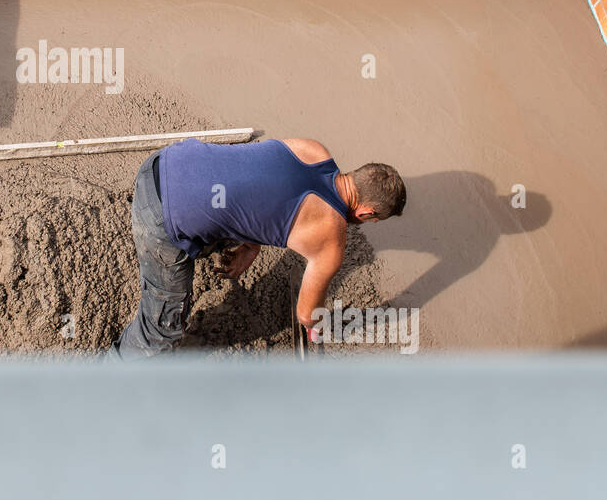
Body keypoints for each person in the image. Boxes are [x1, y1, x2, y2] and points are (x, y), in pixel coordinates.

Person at [115, 137, 405, 358]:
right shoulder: (332, 237)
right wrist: (318, 324)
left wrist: (251, 247)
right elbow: (307, 315)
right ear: (366, 212)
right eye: (371, 221)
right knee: (161, 331)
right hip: (160, 218)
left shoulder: (314, 150)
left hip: (163, 163)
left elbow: (262, 178)